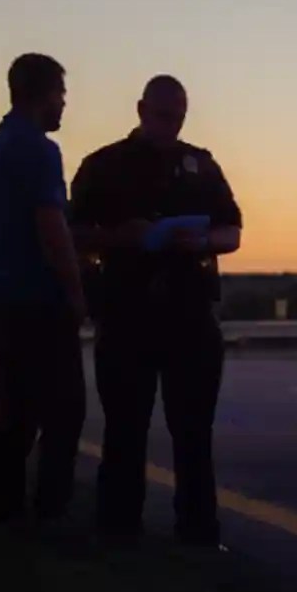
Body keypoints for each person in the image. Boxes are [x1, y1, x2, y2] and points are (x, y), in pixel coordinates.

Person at [69, 74, 242, 546]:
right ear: (141, 109)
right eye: (165, 115)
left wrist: (201, 241)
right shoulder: (104, 166)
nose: (172, 125)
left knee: (194, 433)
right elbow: (73, 233)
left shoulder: (201, 167)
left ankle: (199, 532)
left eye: (180, 116)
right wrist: (121, 236)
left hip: (191, 312)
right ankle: (119, 529)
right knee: (125, 429)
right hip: (127, 310)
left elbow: (232, 232)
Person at [0, 53, 88, 528]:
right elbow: (50, 226)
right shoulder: (39, 150)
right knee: (64, 413)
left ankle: (6, 511)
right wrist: (76, 291)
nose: (64, 104)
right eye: (61, 93)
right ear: (42, 94)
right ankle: (50, 515)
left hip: (1, 297)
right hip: (38, 301)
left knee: (14, 412)